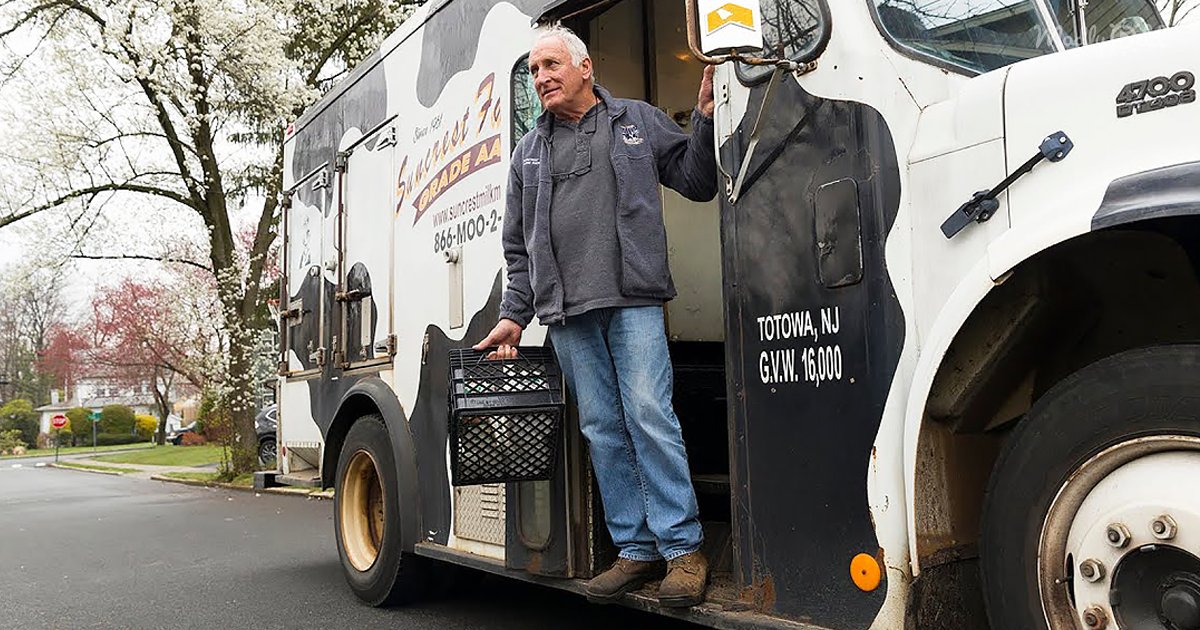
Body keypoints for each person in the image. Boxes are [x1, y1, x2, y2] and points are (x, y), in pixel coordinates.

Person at [474, 23, 717, 607]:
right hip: (567, 314)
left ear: (585, 68)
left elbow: (697, 179)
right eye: (533, 71)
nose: (541, 78)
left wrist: (704, 121)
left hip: (632, 299)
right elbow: (518, 246)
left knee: (650, 416)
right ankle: (636, 551)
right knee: (603, 430)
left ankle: (683, 550)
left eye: (551, 65)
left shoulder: (635, 120)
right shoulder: (528, 154)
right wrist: (515, 313)